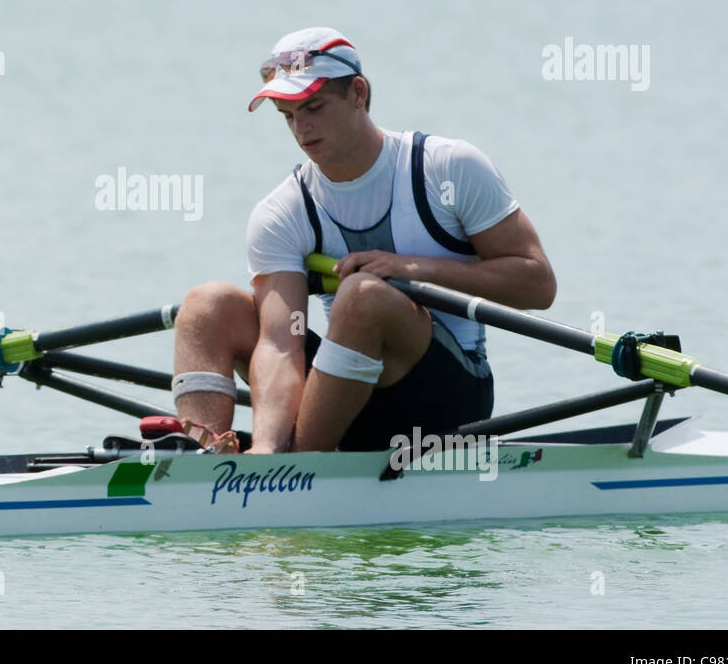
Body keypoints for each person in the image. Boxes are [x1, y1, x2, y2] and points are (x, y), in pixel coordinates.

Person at [171, 27, 556, 453]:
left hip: (447, 405)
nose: (301, 128)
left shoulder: (449, 168)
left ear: (358, 92)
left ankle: (298, 466)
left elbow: (537, 285)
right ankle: (201, 461)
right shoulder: (280, 213)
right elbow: (281, 343)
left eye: (313, 107)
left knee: (363, 296)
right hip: (339, 404)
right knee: (208, 306)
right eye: (288, 115)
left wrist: (411, 269)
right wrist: (265, 447)